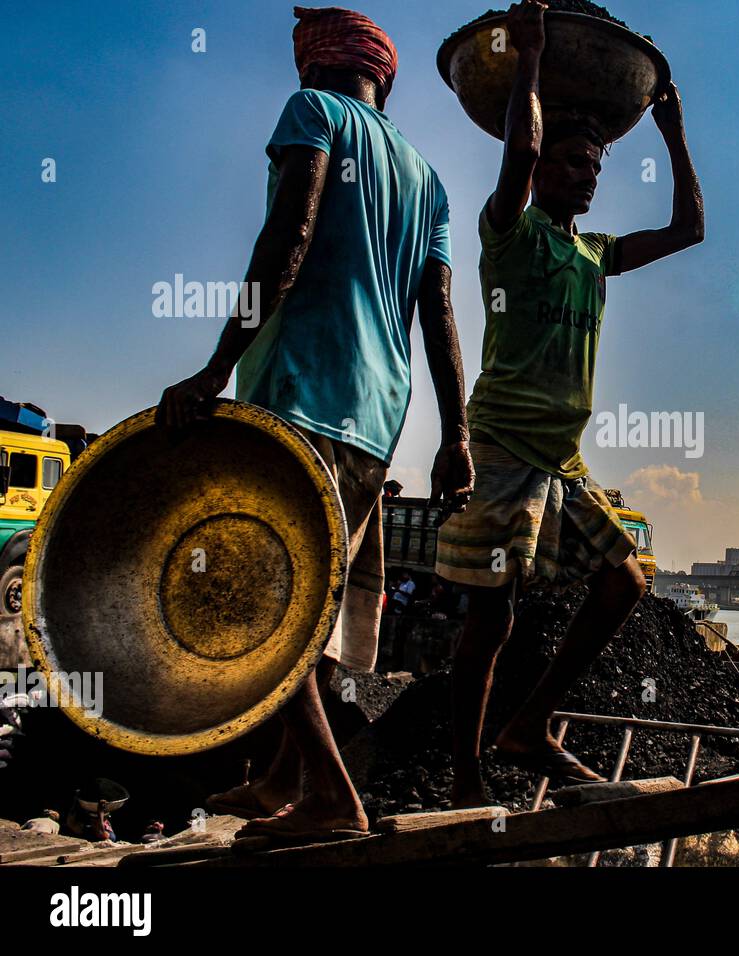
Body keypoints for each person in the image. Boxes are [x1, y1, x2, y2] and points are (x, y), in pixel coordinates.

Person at [158, 5, 474, 838]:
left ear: (312, 67)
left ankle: (331, 797)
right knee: (323, 605)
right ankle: (277, 782)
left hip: (298, 388)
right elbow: (438, 314)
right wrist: (457, 435)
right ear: (385, 78)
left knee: (265, 598)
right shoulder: (429, 177)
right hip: (380, 415)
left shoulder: (314, 114)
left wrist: (217, 365)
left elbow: (286, 239)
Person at [434, 0, 704, 807]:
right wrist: (530, 55)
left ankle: (529, 725)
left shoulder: (594, 254)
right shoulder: (510, 235)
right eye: (572, 163)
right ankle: (465, 778)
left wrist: (673, 131)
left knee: (625, 582)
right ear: (543, 167)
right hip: (506, 449)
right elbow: (516, 150)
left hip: (562, 459)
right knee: (490, 624)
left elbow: (690, 228)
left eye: (595, 167)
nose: (586, 176)